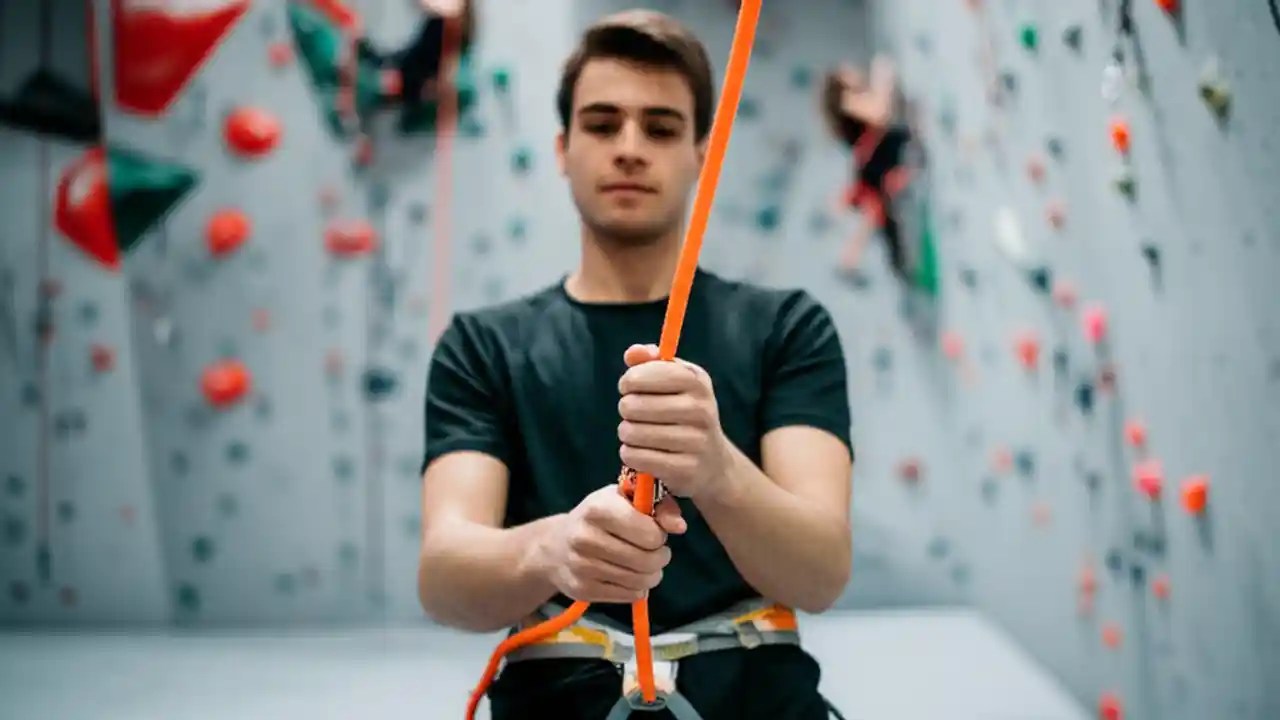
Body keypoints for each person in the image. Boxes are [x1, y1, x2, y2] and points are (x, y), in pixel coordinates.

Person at [418, 10, 854, 719]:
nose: (629, 149)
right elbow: (444, 576)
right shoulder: (483, 346)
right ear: (562, 148)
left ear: (701, 153)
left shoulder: (786, 329)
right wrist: (552, 549)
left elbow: (822, 573)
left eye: (660, 128)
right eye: (602, 124)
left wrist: (718, 471)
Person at [821, 55, 914, 283]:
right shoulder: (847, 99)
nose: (853, 70)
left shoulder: (850, 101)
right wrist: (882, 76)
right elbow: (879, 112)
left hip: (872, 158)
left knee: (880, 215)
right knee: (880, 213)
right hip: (875, 156)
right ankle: (888, 262)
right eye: (846, 70)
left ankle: (873, 261)